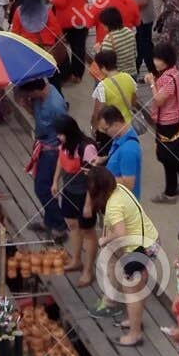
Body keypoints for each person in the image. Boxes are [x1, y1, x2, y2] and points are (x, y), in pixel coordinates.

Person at [87, 165, 159, 347]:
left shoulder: (112, 206)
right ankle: (134, 321)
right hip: (150, 239)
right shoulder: (120, 189)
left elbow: (121, 233)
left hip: (139, 248)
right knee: (138, 287)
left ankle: (135, 334)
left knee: (132, 292)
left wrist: (105, 239)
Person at [18, 76, 69, 241]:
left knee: (43, 188)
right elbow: (37, 117)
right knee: (42, 185)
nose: (28, 98)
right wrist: (27, 106)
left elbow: (64, 132)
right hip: (42, 143)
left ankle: (60, 225)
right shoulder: (40, 97)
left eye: (29, 95)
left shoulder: (56, 105)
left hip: (52, 150)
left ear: (36, 90)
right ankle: (49, 220)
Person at [53, 117, 100, 286]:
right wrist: (55, 181)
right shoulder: (65, 144)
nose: (59, 137)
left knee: (88, 231)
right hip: (69, 190)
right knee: (72, 225)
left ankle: (88, 270)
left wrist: (88, 204)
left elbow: (93, 180)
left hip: (84, 194)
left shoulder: (87, 148)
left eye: (61, 134)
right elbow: (61, 158)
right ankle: (76, 259)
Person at [149, 40, 179, 201]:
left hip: (168, 122)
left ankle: (170, 192)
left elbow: (159, 100)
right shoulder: (174, 72)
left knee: (167, 156)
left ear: (165, 59)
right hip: (178, 118)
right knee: (178, 151)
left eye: (158, 59)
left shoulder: (165, 78)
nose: (155, 62)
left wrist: (152, 83)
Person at [52, 0, 91, 81]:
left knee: (61, 46)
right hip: (82, 17)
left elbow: (59, 2)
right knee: (79, 48)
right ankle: (78, 74)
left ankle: (65, 73)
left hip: (66, 20)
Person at [98, 103, 141, 196]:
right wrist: (104, 159)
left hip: (122, 204)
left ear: (116, 124)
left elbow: (128, 184)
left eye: (106, 130)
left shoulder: (128, 150)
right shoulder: (119, 137)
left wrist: (100, 176)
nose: (105, 133)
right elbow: (118, 157)